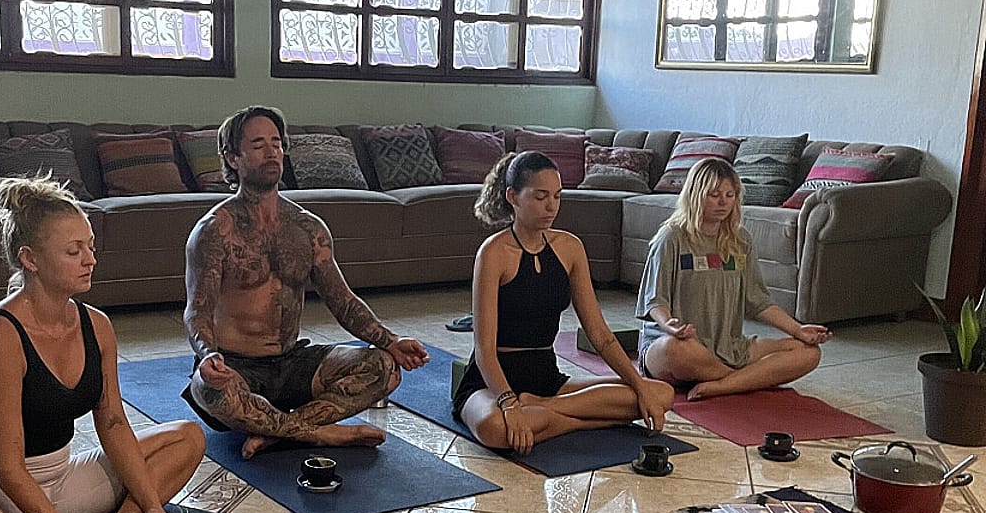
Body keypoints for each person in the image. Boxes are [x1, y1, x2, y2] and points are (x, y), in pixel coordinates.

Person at [0, 176, 206, 513]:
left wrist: (151, 506)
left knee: (187, 437)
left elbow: (114, 423)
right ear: (30, 258)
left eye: (91, 247)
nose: (90, 260)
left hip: (64, 482)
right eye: (73, 250)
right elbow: (8, 471)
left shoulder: (96, 326)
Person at [183, 106, 430, 458]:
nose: (271, 152)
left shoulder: (308, 228)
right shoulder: (213, 232)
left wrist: (391, 341)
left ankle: (277, 431)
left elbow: (341, 300)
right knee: (208, 391)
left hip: (293, 364)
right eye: (257, 144)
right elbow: (198, 312)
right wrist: (209, 357)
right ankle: (319, 434)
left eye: (276, 143)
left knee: (384, 369)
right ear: (232, 158)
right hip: (235, 369)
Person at [453, 151, 674, 454]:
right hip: (491, 384)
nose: (551, 206)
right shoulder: (493, 253)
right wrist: (508, 401)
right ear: (513, 197)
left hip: (547, 379)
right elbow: (484, 350)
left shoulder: (570, 248)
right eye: (540, 196)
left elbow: (600, 335)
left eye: (557, 196)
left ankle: (546, 410)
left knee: (660, 394)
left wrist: (638, 385)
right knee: (496, 428)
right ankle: (582, 422)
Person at [636, 158, 831, 401]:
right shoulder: (671, 237)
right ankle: (744, 380)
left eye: (730, 195)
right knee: (674, 349)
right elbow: (655, 301)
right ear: (696, 195)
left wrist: (798, 329)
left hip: (730, 348)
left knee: (808, 353)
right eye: (714, 195)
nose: (723, 202)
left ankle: (724, 385)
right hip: (677, 347)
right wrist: (669, 325)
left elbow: (758, 301)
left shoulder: (740, 239)